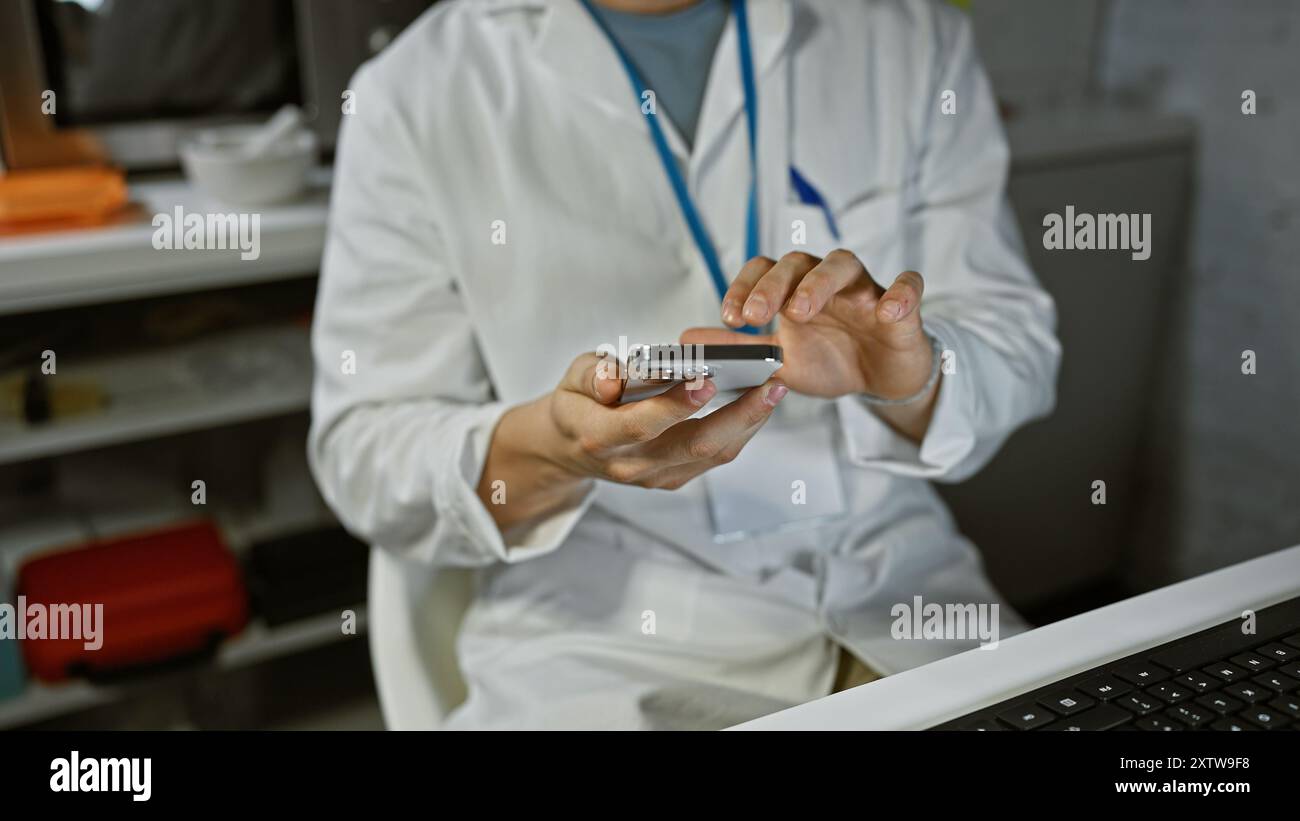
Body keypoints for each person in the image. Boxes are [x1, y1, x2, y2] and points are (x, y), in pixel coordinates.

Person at [308, 0, 1061, 730]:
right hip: (606, 649)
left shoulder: (909, 35)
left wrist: (914, 374)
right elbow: (363, 449)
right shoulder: (414, 91)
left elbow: (1019, 343)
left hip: (905, 607)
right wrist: (553, 446)